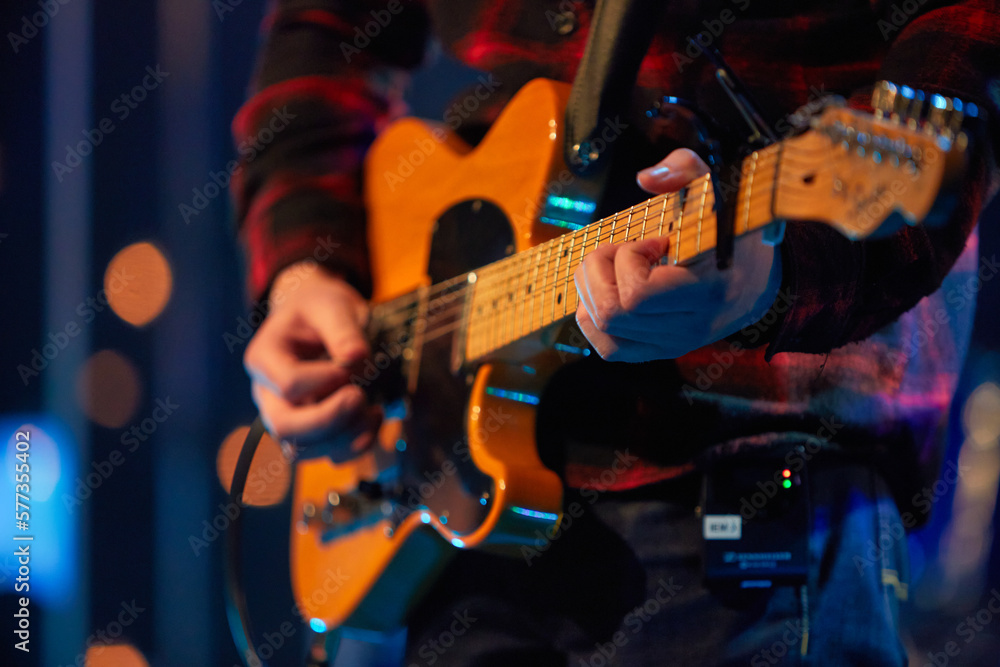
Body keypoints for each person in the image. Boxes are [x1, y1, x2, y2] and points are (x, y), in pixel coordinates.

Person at [232, 1, 1000, 664]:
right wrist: (306, 267)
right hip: (438, 520)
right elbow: (323, 35)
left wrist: (777, 274)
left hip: (743, 478)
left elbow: (967, 36)